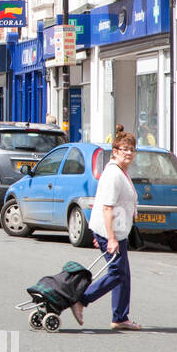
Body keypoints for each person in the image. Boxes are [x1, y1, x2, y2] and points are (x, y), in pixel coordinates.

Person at [71, 131, 141, 331]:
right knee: (117, 273)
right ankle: (81, 300)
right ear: (115, 151)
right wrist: (108, 237)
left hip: (118, 231)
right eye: (124, 149)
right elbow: (107, 207)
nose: (128, 153)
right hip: (113, 233)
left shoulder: (121, 171)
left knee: (123, 275)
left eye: (131, 149)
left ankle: (120, 317)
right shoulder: (113, 174)